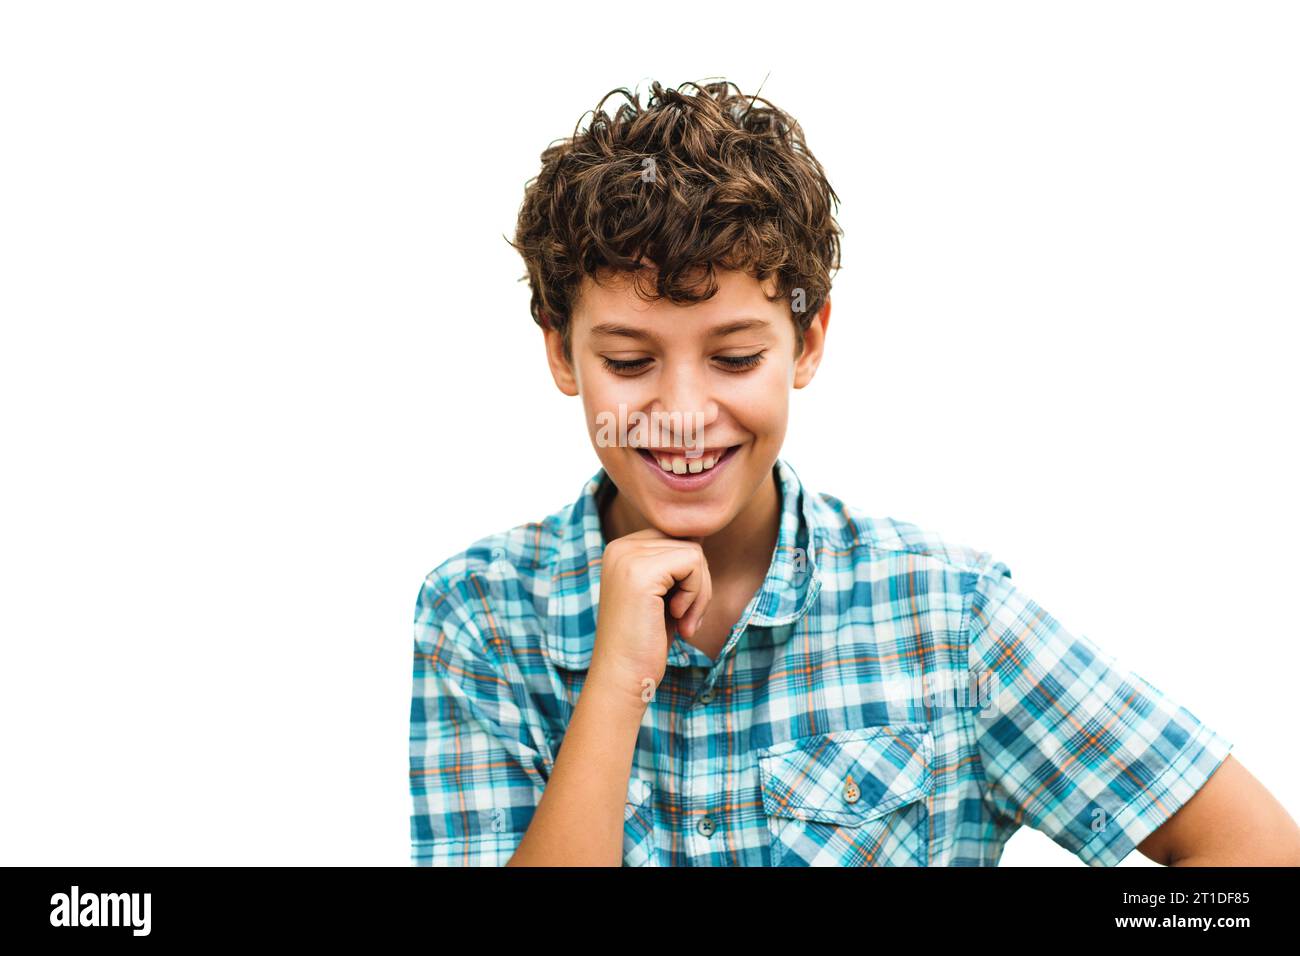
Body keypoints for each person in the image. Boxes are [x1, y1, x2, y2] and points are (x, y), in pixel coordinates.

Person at [409, 78, 1300, 866]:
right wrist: (615, 683)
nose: (683, 408)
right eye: (631, 363)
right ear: (562, 355)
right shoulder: (479, 618)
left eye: (733, 357)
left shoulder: (945, 613)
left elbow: (1253, 849)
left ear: (809, 340)